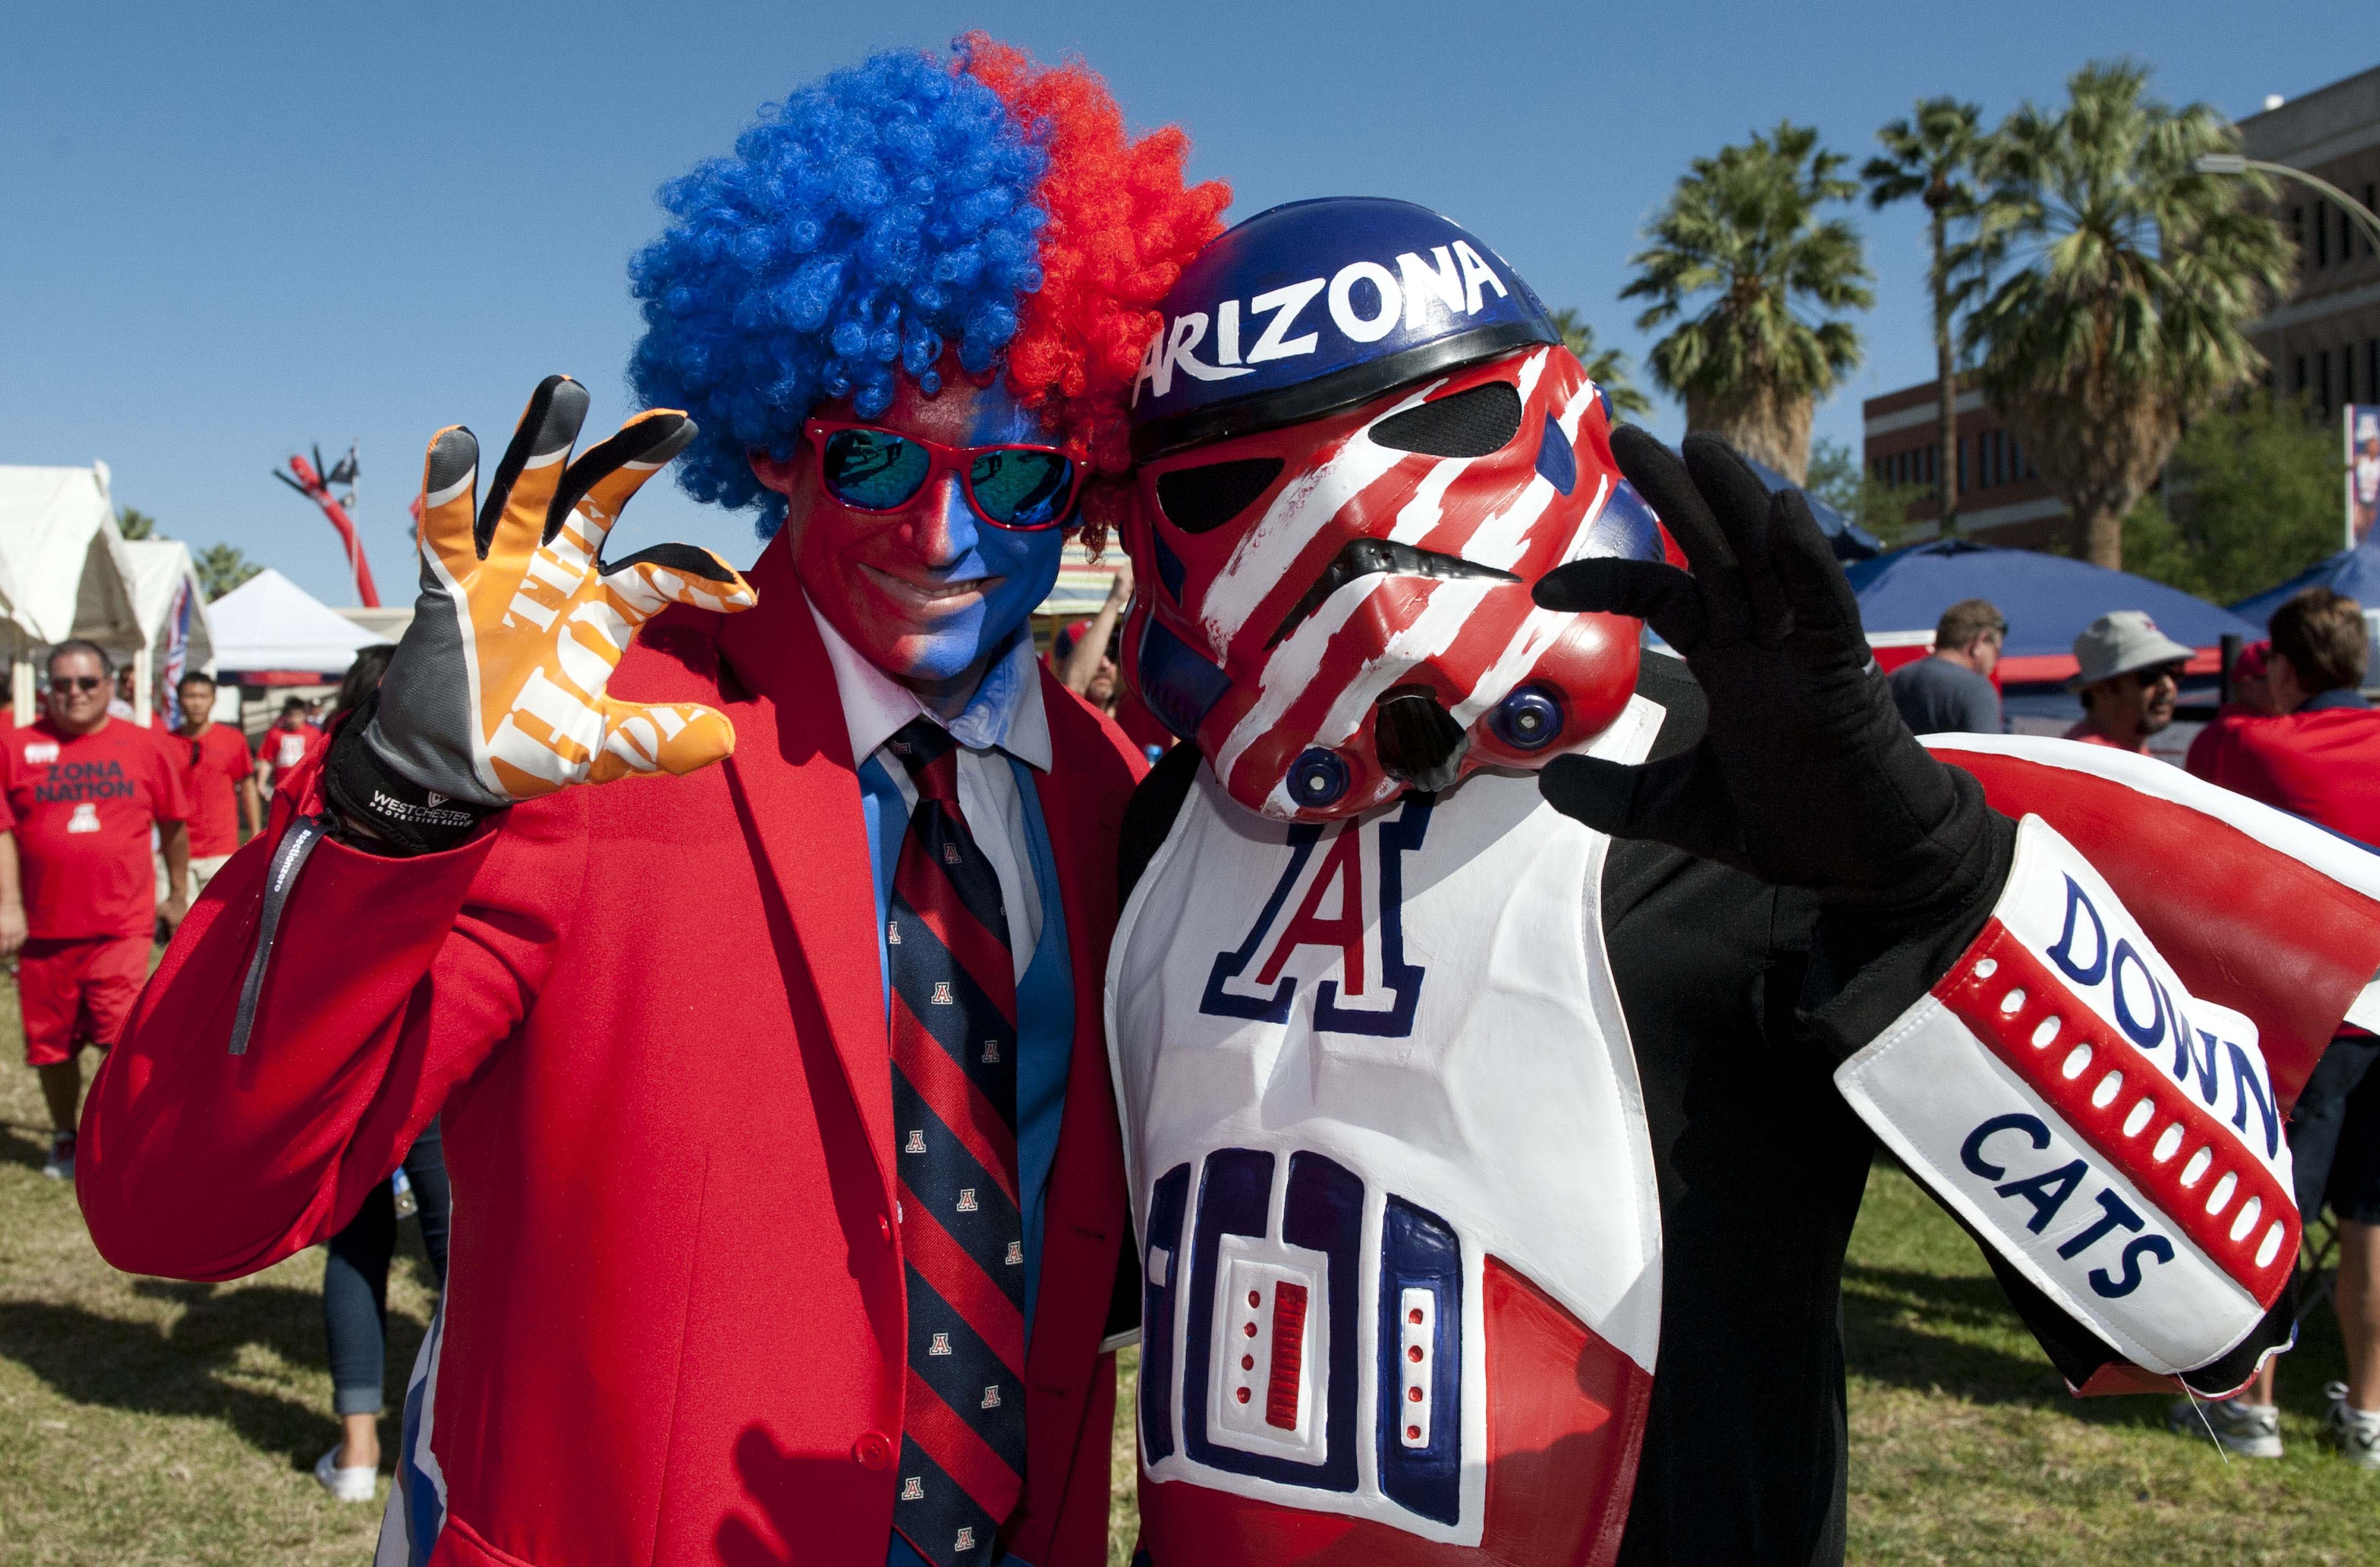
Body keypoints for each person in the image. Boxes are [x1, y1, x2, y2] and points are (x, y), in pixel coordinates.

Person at [80, 38, 1226, 1567]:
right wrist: (391, 809)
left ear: (1079, 479)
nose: (947, 533)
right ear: (775, 444)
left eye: (1014, 475)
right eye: (877, 457)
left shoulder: (1115, 787)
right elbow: (178, 1209)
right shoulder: (597, 736)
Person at [1103, 198, 2355, 1565]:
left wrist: (1926, 881)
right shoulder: (1159, 825)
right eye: (1239, 488)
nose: (1351, 546)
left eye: (1430, 434)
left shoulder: (1755, 796)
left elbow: (2200, 1307)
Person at [2172, 590, 2380, 1465]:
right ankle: (2368, 1416)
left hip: (2306, 1022)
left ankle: (2248, 1404)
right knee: (2372, 1223)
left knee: (2272, 1215)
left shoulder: (2242, 741)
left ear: (2285, 668)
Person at [309, 639, 452, 1504]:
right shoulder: (461, 776)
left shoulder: (312, 781)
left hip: (340, 1043)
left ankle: (358, 1454)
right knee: (452, 1242)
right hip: (433, 1030)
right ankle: (439, 1437)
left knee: (357, 1240)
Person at [0, 641, 191, 1180]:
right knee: (51, 1048)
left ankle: (108, 1134)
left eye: (86, 683)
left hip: (120, 928)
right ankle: (65, 1134)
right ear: (47, 689)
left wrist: (177, 893)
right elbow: (4, 831)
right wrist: (9, 906)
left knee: (121, 1038)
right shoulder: (14, 746)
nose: (75, 694)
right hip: (43, 931)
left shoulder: (147, 747)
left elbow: (175, 824)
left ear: (110, 684)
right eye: (62, 685)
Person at [163, 671, 261, 895]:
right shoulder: (167, 744)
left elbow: (248, 787)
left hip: (221, 850)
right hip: (178, 852)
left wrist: (255, 835)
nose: (197, 703)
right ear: (180, 700)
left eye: (203, 696)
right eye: (190, 697)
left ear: (213, 699)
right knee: (179, 926)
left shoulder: (232, 740)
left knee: (218, 924)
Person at [2062, 610, 2192, 753]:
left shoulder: (2124, 754)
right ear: (2101, 687)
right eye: (2150, 673)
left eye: (2174, 670)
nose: (2168, 686)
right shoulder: (2089, 760)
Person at [1888, 597, 2005, 735]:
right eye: (1997, 651)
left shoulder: (1895, 680)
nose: (1995, 661)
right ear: (1980, 641)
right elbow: (1987, 754)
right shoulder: (1977, 690)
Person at [254, 695, 327, 795]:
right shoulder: (275, 734)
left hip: (306, 788)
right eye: (291, 716)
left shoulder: (315, 734)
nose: (294, 720)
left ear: (305, 715)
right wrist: (261, 784)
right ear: (285, 716)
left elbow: (321, 759)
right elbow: (266, 760)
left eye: (298, 715)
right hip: (282, 787)